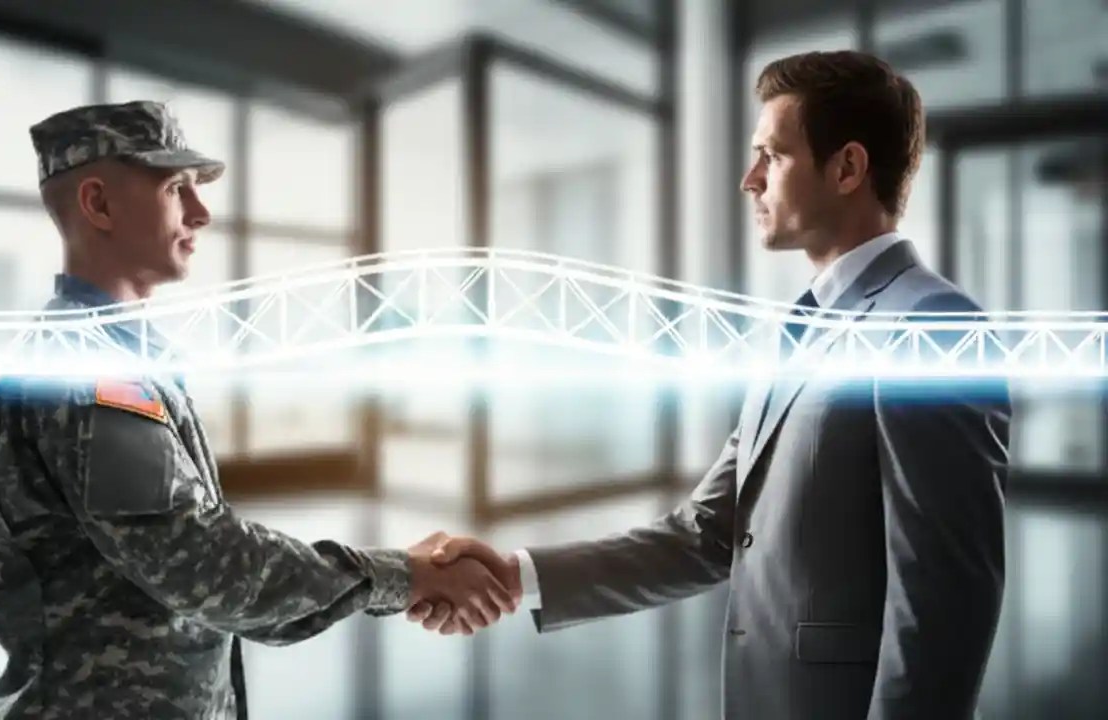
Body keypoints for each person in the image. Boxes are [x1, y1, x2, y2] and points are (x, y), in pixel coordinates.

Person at [410, 51, 1012, 719]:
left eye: (771, 156)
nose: (749, 180)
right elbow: (704, 535)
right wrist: (512, 574)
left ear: (847, 168)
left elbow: (946, 601)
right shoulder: (801, 328)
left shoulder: (930, 323)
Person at [0, 100, 515, 720]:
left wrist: (405, 577)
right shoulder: (87, 371)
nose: (202, 214)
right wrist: (404, 577)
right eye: (177, 189)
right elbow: (203, 564)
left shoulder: (115, 357)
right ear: (98, 205)